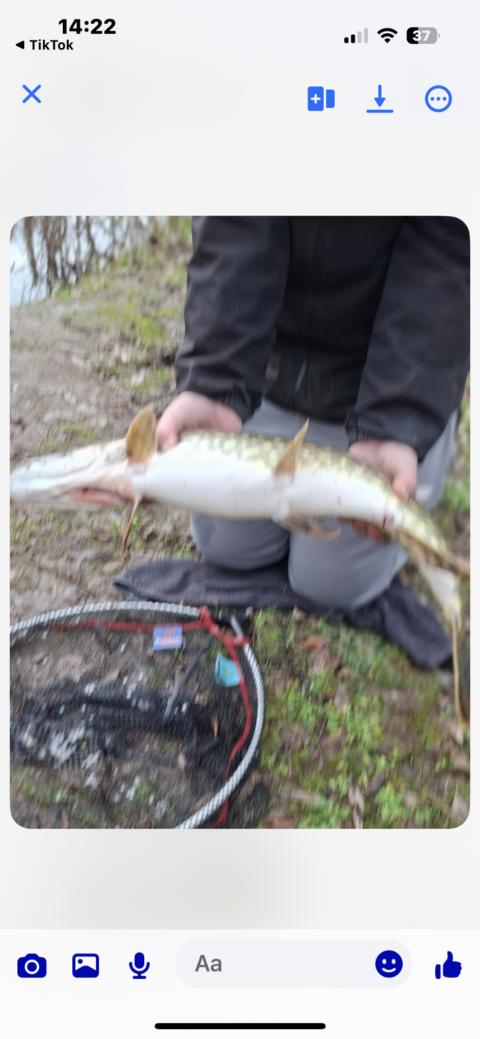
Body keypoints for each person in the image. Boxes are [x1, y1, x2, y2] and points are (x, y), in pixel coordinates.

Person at [156, 217, 469, 610]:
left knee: (330, 585)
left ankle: (427, 451)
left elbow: (449, 248)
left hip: (387, 380)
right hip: (272, 366)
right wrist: (215, 380)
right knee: (225, 548)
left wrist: (398, 416)